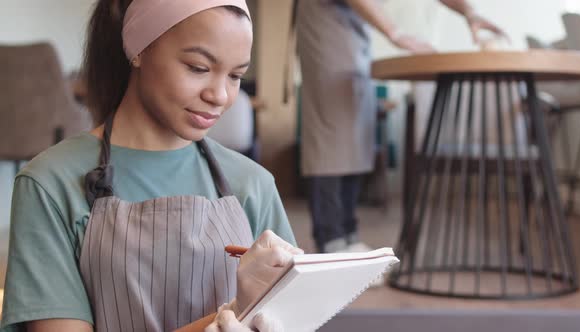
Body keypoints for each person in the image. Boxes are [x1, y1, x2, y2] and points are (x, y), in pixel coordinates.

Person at [0, 1, 301, 331]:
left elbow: (296, 315)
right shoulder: (50, 183)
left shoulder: (252, 182)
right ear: (138, 49)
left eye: (235, 75)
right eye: (198, 68)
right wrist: (229, 316)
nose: (220, 95)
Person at [296, 0, 506, 254]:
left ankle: (347, 234)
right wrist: (396, 33)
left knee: (354, 138)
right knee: (330, 137)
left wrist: (470, 13)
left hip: (352, 33)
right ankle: (331, 240)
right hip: (325, 27)